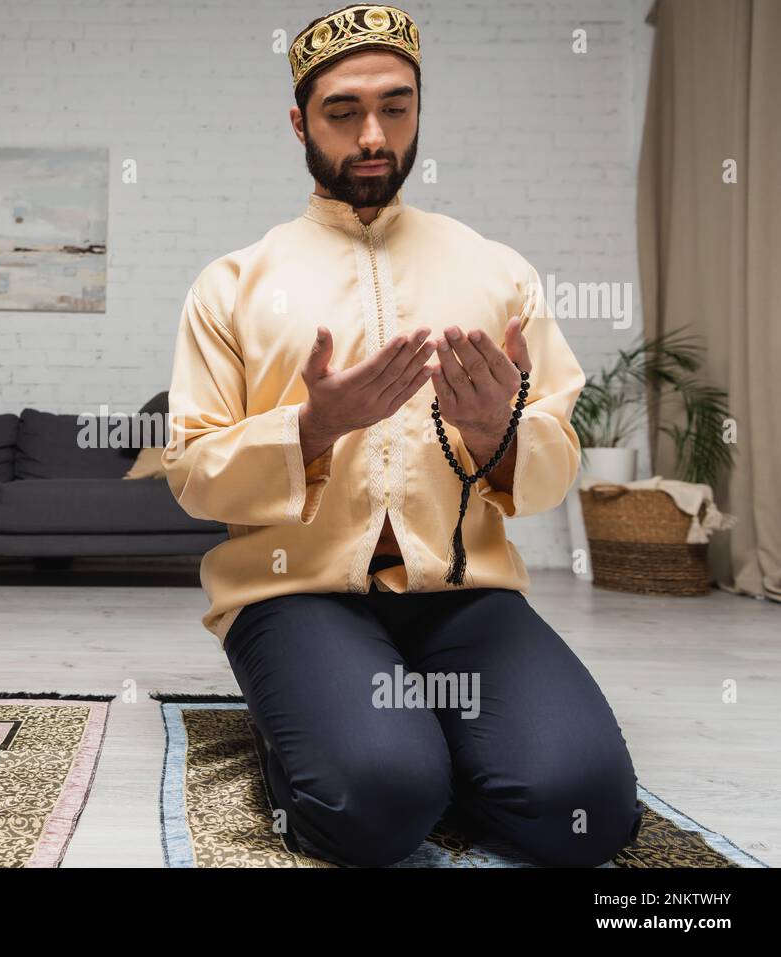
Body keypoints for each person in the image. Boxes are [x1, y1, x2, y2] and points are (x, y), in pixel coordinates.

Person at [162, 4, 642, 867]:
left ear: (420, 107)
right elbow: (192, 473)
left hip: (465, 595)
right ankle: (344, 743)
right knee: (377, 805)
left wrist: (500, 434)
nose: (373, 133)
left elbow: (554, 457)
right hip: (294, 592)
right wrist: (311, 428)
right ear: (299, 120)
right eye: (343, 111)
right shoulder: (231, 284)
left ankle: (410, 730)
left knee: (583, 810)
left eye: (398, 105)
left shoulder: (498, 272)